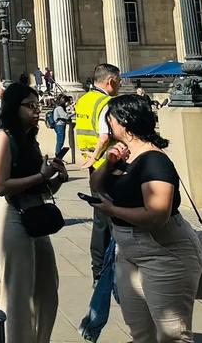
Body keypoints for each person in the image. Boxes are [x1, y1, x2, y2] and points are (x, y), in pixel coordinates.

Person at [88, 94, 201, 342]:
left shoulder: (155, 161)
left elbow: (157, 215)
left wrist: (113, 210)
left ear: (125, 123)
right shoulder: (124, 156)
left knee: (172, 335)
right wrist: (108, 163)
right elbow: (96, 185)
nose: (107, 124)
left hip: (165, 253)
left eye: (110, 119)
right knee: (140, 332)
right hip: (128, 254)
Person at [0, 82, 67, 343]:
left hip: (32, 212)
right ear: (14, 107)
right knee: (17, 292)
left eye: (38, 105)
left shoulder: (29, 139)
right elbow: (1, 185)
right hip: (10, 215)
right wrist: (40, 175)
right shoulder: (2, 137)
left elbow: (40, 186)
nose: (37, 111)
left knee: (47, 286)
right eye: (30, 106)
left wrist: (55, 178)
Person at [76, 63, 121, 282]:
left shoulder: (84, 100)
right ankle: (107, 268)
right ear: (110, 81)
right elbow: (104, 136)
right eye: (119, 82)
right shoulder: (106, 102)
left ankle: (98, 268)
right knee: (111, 216)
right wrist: (97, 155)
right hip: (107, 164)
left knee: (100, 217)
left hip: (91, 164)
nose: (120, 86)